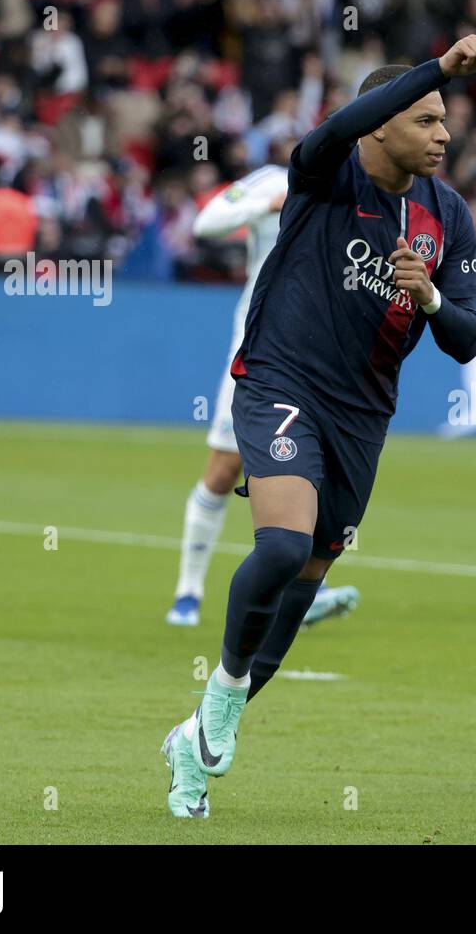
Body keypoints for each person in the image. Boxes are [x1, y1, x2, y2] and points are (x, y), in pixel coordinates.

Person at [161, 15, 476, 817]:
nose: (443, 133)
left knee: (304, 580)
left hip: (363, 416)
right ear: (383, 119)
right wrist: (440, 67)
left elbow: (467, 338)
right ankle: (221, 699)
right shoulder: (326, 173)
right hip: (281, 379)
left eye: (446, 121)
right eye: (425, 117)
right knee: (281, 546)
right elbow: (334, 126)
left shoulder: (446, 216)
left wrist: (426, 296)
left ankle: (197, 734)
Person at [163, 163, 360, 631]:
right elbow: (205, 223)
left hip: (320, 361)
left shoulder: (358, 193)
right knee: (223, 470)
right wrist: (266, 205)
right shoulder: (275, 180)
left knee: (307, 470)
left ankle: (305, 591)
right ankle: (188, 590)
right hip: (257, 353)